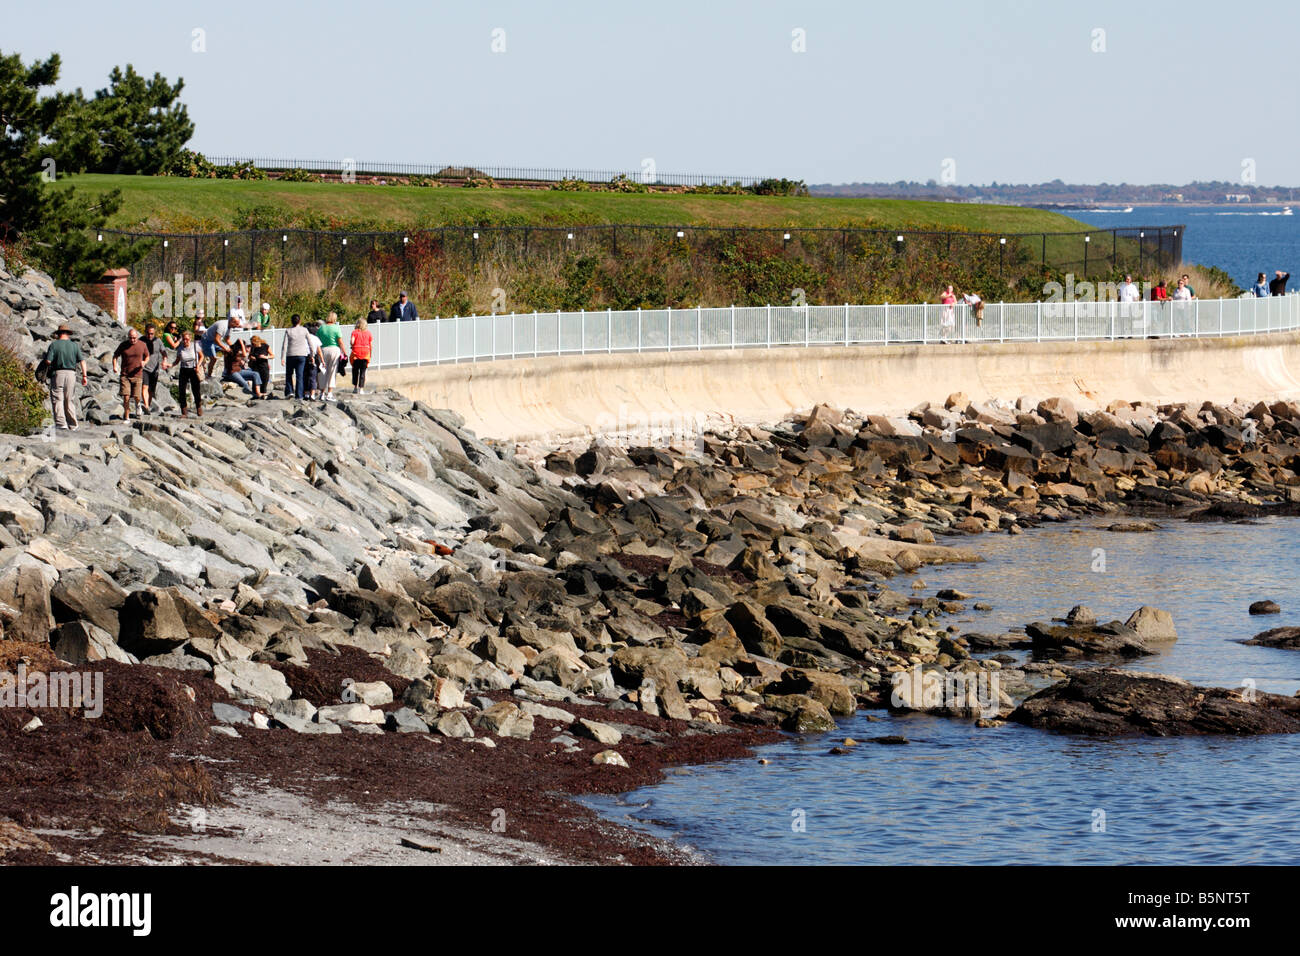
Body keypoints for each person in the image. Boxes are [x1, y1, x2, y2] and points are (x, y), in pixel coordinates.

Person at [44, 324, 87, 431]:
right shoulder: (74, 346)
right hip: (71, 374)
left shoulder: (54, 345)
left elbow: (48, 361)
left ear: (58, 334)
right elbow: (82, 361)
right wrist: (84, 375)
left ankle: (61, 424)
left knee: (57, 399)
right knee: (69, 399)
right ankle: (73, 424)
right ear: (68, 334)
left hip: (58, 373)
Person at [112, 326, 150, 422]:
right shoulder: (123, 345)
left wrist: (144, 362)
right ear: (128, 337)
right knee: (126, 396)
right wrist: (114, 366)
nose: (132, 340)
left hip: (138, 374)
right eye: (130, 338)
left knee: (137, 396)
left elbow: (147, 356)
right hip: (125, 375)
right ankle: (127, 416)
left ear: (137, 336)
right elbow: (115, 356)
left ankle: (138, 406)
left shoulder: (142, 345)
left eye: (134, 338)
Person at [164, 329, 204, 418]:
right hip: (183, 369)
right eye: (184, 339)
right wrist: (170, 365)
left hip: (193, 369)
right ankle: (184, 411)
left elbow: (201, 356)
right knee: (181, 390)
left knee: (196, 390)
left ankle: (198, 406)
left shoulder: (195, 346)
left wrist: (198, 365)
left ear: (190, 339)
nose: (185, 341)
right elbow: (177, 360)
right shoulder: (180, 347)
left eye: (187, 339)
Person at [281, 314, 312, 400]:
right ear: (300, 321)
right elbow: (310, 343)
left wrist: (282, 358)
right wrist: (312, 355)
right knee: (300, 375)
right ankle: (299, 395)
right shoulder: (304, 330)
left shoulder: (288, 330)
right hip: (302, 355)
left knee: (289, 374)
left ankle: (290, 391)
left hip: (290, 355)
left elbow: (285, 345)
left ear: (291, 321)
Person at [316, 311, 345, 402]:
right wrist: (344, 352)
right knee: (332, 371)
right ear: (334, 318)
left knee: (323, 371)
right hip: (334, 349)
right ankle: (329, 393)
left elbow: (317, 341)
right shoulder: (336, 328)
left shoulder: (321, 328)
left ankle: (322, 393)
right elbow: (340, 341)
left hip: (323, 350)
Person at [140, 324, 166, 413]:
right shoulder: (141, 341)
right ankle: (146, 406)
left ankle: (148, 405)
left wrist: (164, 360)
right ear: (145, 332)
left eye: (152, 334)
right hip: (144, 368)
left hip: (154, 368)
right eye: (148, 333)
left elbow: (164, 352)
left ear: (154, 333)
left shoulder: (158, 341)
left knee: (151, 390)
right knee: (144, 387)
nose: (150, 335)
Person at [199, 311, 230, 379]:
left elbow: (227, 340)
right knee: (213, 359)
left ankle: (226, 371)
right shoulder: (223, 325)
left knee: (228, 352)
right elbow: (217, 339)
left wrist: (232, 348)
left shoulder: (230, 327)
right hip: (207, 340)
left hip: (214, 340)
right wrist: (225, 348)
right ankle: (209, 376)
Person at [350, 313, 373, 393]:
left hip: (356, 354)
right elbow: (370, 345)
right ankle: (361, 389)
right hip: (365, 354)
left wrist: (352, 345)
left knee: (355, 371)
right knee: (363, 372)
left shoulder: (354, 332)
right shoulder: (368, 333)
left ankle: (355, 388)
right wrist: (370, 354)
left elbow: (352, 342)